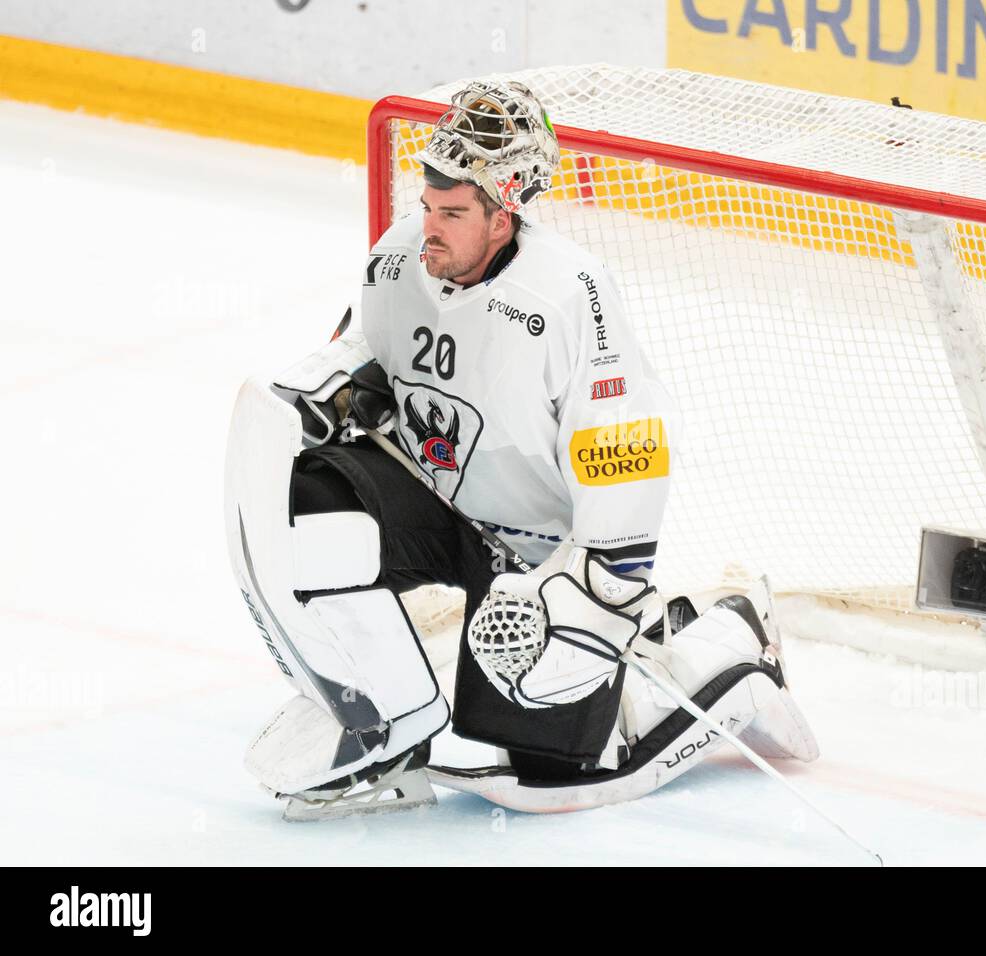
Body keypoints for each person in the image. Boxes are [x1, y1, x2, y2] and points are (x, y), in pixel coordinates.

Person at [224, 80, 817, 819]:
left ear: (503, 217)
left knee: (544, 773)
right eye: (427, 205)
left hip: (535, 558)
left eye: (452, 213)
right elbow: (370, 352)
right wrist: (333, 388)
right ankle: (393, 718)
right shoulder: (399, 256)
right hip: (434, 500)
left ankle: (728, 641)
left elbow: (625, 450)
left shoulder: (570, 297)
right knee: (307, 501)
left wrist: (600, 593)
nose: (428, 225)